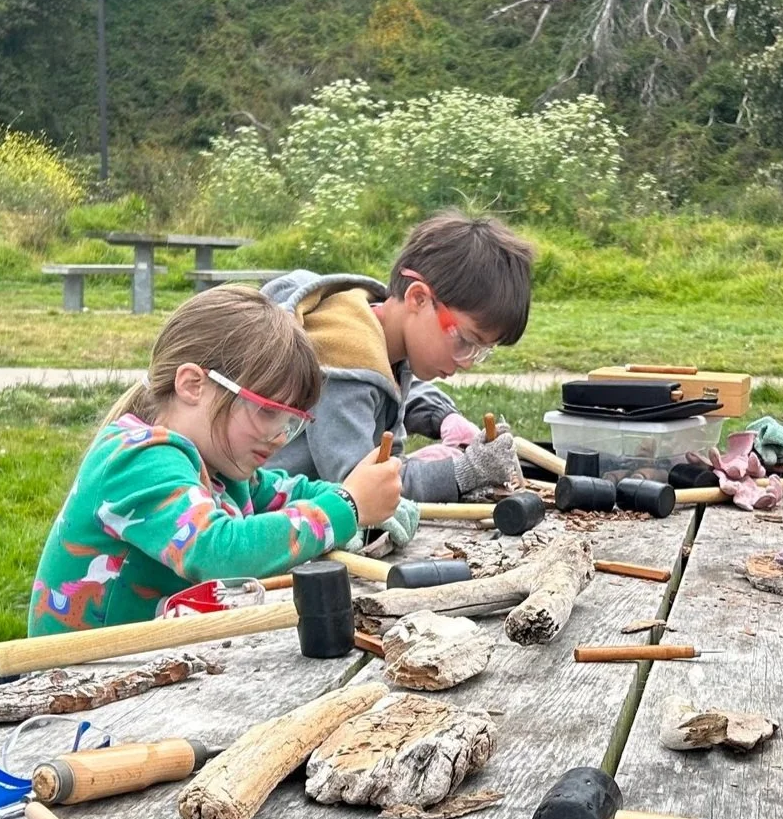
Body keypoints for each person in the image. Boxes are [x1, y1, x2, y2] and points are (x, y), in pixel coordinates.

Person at [27, 284, 401, 636]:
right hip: (79, 683)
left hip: (152, 667)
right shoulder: (139, 459)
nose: (280, 436)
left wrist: (371, 500)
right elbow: (220, 551)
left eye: (292, 421)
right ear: (193, 384)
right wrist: (348, 507)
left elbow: (287, 492)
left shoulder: (223, 467)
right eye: (267, 411)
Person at [263, 214, 536, 504]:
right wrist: (462, 473)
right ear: (418, 298)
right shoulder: (344, 359)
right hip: (269, 520)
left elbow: (383, 384)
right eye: (465, 341)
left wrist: (444, 416)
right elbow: (361, 489)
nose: (467, 362)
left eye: (481, 351)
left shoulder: (376, 329)